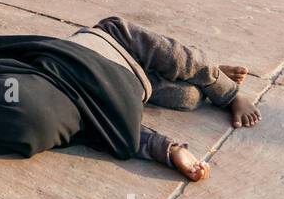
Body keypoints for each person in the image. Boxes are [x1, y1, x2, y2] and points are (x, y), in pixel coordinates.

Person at [69, 17, 261, 181]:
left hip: (111, 41)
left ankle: (222, 84)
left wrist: (230, 95)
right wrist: (168, 149)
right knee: (189, 97)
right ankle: (207, 75)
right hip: (126, 81)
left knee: (181, 60)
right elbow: (104, 125)